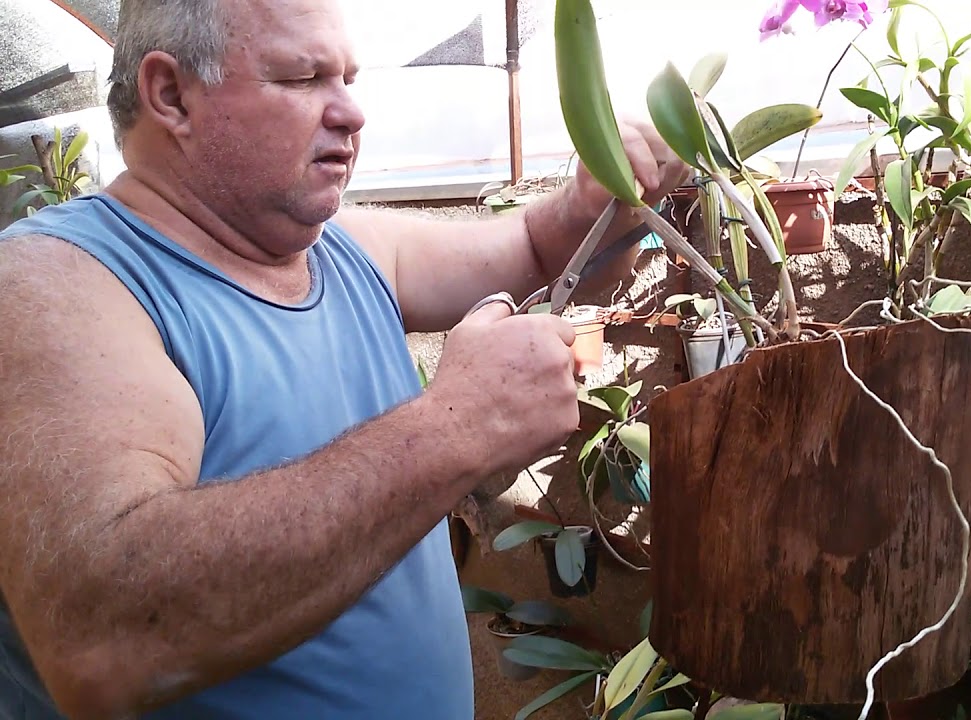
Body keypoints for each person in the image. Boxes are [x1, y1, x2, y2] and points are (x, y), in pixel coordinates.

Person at [0, 0, 687, 718]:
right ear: (171, 95)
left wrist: (594, 200)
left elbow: (537, 249)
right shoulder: (61, 286)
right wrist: (458, 426)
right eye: (304, 78)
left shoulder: (345, 250)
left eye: (348, 79)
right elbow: (101, 639)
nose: (351, 114)